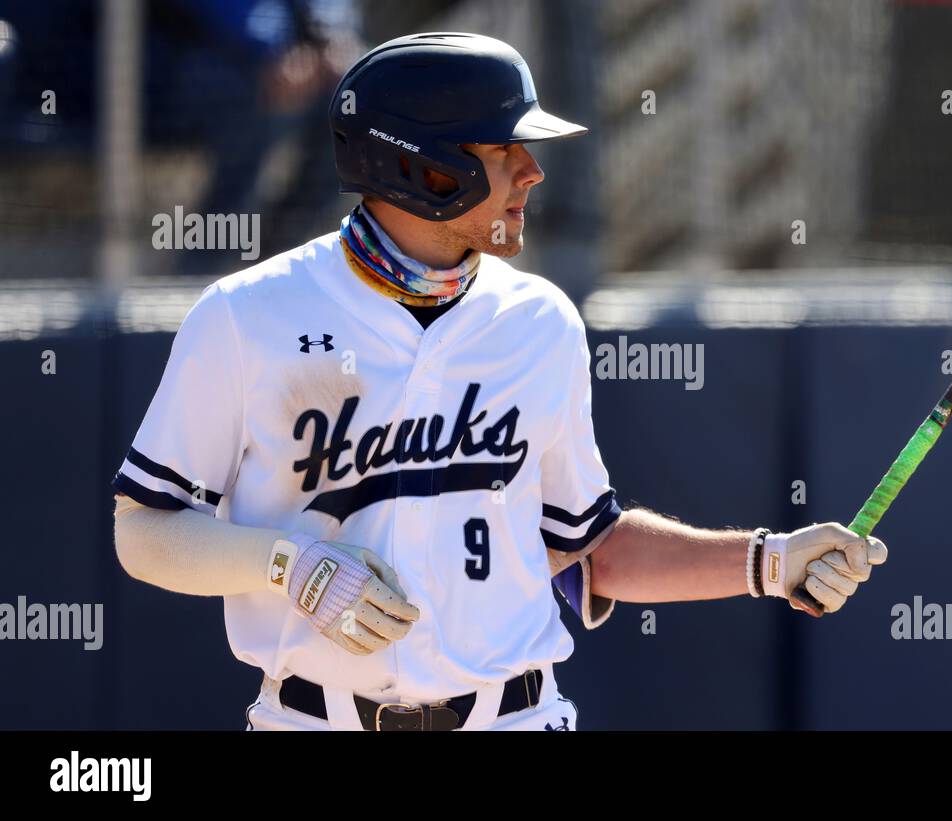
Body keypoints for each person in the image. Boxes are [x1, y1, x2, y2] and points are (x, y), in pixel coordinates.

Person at [111, 32, 887, 731]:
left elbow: (589, 546)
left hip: (514, 716)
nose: (532, 172)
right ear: (421, 165)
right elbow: (142, 530)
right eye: (502, 149)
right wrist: (292, 565)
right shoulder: (249, 314)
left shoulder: (539, 319)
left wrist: (771, 559)